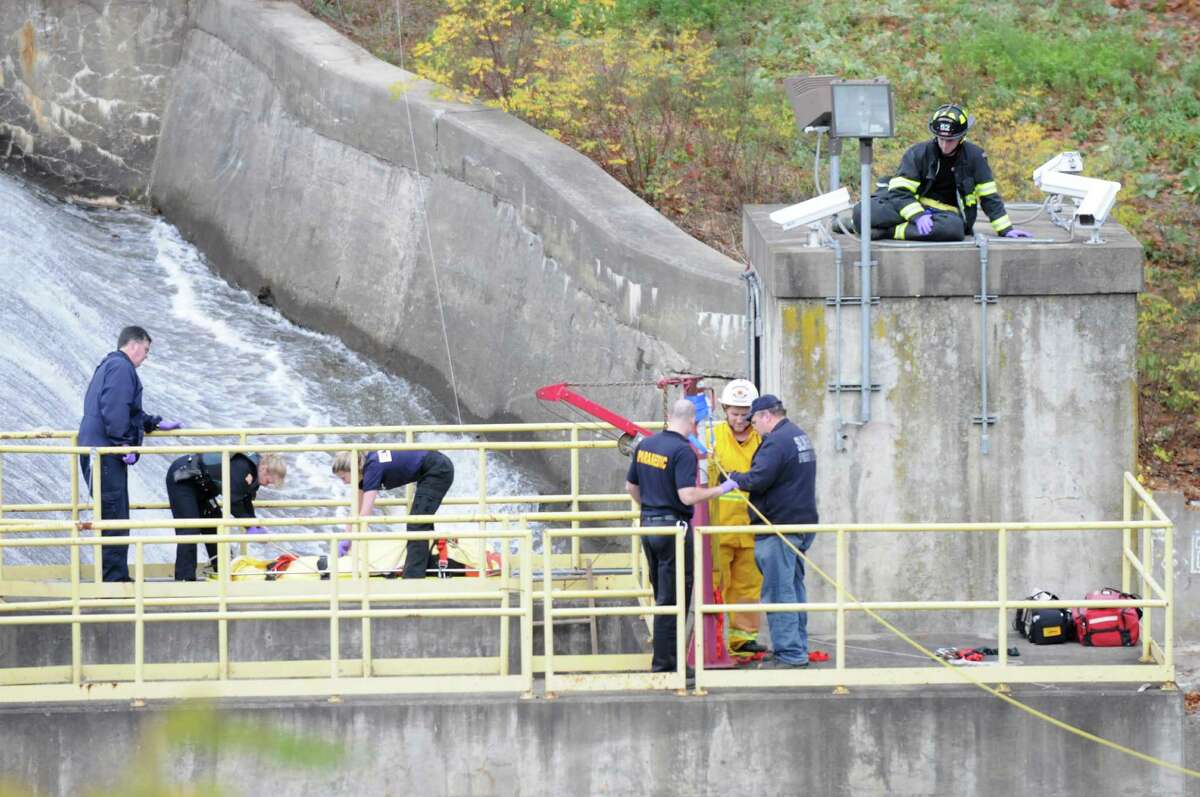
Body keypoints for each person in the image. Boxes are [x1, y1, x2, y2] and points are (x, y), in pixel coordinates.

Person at [626, 399, 740, 674]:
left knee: (661, 596)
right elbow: (687, 496)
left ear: (669, 416)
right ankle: (668, 665)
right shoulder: (683, 451)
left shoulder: (645, 445)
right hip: (674, 531)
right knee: (675, 598)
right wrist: (722, 489)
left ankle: (666, 661)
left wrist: (651, 508)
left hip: (649, 527)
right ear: (693, 421)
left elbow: (631, 487)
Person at [77, 326, 181, 582]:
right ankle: (114, 582)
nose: (146, 356)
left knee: (114, 514)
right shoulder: (122, 368)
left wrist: (153, 422)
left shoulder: (110, 365)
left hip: (98, 451)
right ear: (133, 345)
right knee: (114, 517)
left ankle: (115, 577)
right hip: (106, 453)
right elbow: (114, 408)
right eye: (145, 350)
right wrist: (123, 443)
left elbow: (126, 411)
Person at [724, 394, 818, 669]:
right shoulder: (798, 435)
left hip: (778, 528)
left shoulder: (776, 442)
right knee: (794, 590)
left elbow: (758, 479)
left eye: (753, 421)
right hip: (800, 526)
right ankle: (797, 648)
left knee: (779, 593)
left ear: (766, 416)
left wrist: (731, 477)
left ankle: (790, 654)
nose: (752, 427)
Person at [851, 103, 1032, 242]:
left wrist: (1005, 229)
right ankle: (858, 223)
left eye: (950, 140)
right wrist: (917, 216)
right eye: (941, 139)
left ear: (962, 137)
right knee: (863, 211)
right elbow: (900, 192)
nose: (945, 145)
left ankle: (885, 231)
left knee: (953, 230)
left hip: (946, 215)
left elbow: (989, 197)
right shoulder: (918, 153)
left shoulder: (975, 157)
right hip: (912, 206)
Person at [704, 379, 767, 663]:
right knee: (715, 585)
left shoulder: (764, 439)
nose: (740, 419)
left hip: (751, 527)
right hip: (719, 528)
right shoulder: (711, 437)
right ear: (725, 410)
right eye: (734, 413)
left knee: (747, 587)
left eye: (745, 414)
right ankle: (714, 641)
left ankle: (743, 640)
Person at [331, 448, 455, 578]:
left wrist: (351, 540)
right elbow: (356, 511)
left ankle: (413, 577)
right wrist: (346, 539)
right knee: (420, 521)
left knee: (416, 523)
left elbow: (365, 514)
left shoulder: (372, 468)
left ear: (353, 469)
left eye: (343, 477)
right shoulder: (364, 473)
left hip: (438, 469)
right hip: (431, 468)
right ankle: (424, 566)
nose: (344, 482)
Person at [166, 452, 288, 581]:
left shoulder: (255, 475)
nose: (268, 484)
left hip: (203, 489)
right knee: (190, 530)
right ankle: (185, 580)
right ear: (264, 468)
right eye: (269, 480)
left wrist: (256, 526)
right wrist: (250, 527)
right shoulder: (242, 467)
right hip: (183, 479)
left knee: (217, 527)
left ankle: (223, 574)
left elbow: (245, 502)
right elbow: (233, 502)